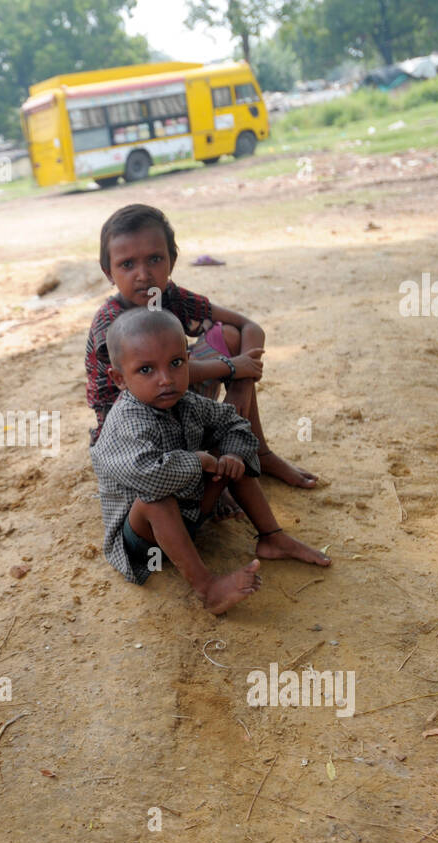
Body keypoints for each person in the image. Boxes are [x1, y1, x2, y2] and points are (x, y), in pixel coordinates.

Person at [90, 307, 330, 614]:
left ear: (188, 361)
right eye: (147, 370)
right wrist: (199, 461)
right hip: (145, 540)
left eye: (176, 363)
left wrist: (229, 455)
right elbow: (148, 475)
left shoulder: (186, 401)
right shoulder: (127, 421)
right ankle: (208, 588)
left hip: (190, 514)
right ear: (120, 379)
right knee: (155, 499)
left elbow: (233, 421)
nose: (166, 379)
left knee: (230, 456)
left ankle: (272, 537)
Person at [85, 203, 318, 501]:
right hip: (132, 423)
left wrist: (241, 385)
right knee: (220, 362)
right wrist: (232, 368)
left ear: (172, 260)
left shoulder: (171, 296)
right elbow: (150, 376)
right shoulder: (110, 321)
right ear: (109, 272)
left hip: (171, 399)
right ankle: (210, 479)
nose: (143, 274)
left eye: (155, 259)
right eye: (127, 265)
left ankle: (258, 449)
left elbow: (249, 326)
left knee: (229, 335)